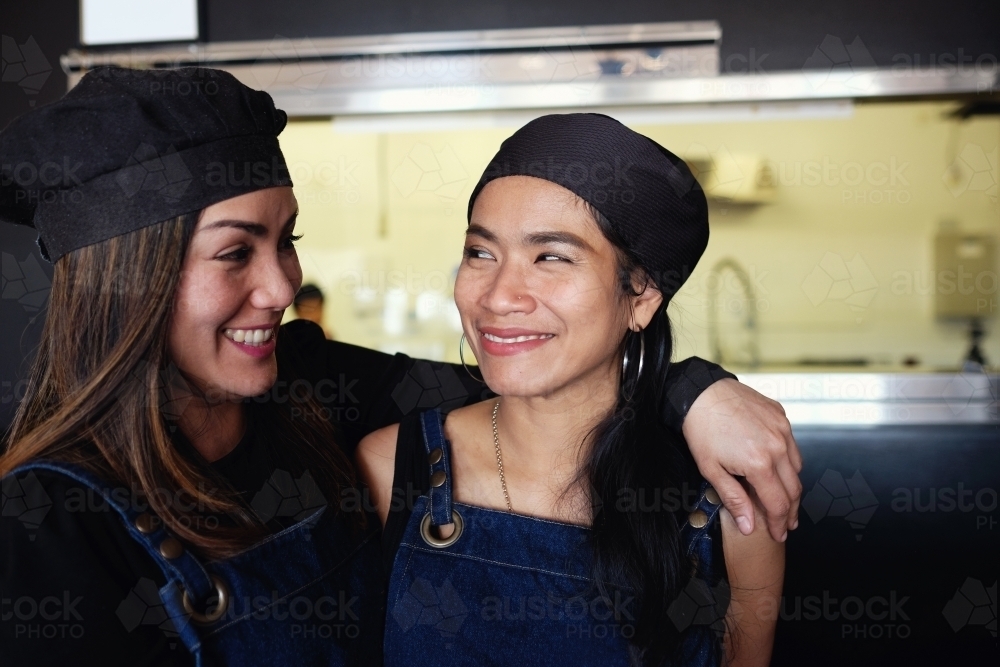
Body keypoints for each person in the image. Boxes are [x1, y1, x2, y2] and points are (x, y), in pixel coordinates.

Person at [0, 68, 798, 666]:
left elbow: (535, 389)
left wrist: (692, 389)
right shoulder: (45, 528)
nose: (283, 288)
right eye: (236, 252)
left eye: (288, 244)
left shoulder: (305, 388)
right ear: (125, 281)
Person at [358, 114, 784, 666]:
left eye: (551, 257)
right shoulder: (390, 465)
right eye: (481, 253)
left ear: (642, 296)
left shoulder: (729, 498)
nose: (500, 296)